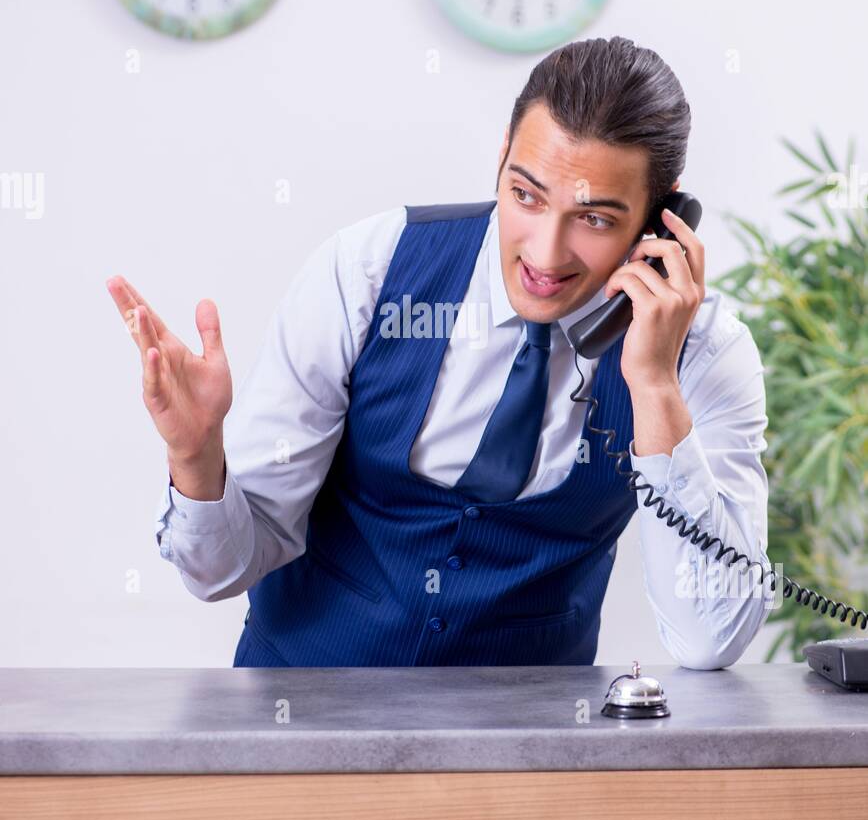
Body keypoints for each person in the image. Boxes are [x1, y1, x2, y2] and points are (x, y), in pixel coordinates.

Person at [106, 36, 771, 668]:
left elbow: (709, 638)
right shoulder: (366, 272)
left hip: (528, 754)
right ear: (503, 154)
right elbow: (218, 572)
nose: (544, 252)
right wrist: (197, 457)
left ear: (662, 219)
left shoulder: (705, 355)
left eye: (594, 219)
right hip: (295, 727)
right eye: (526, 195)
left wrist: (654, 386)